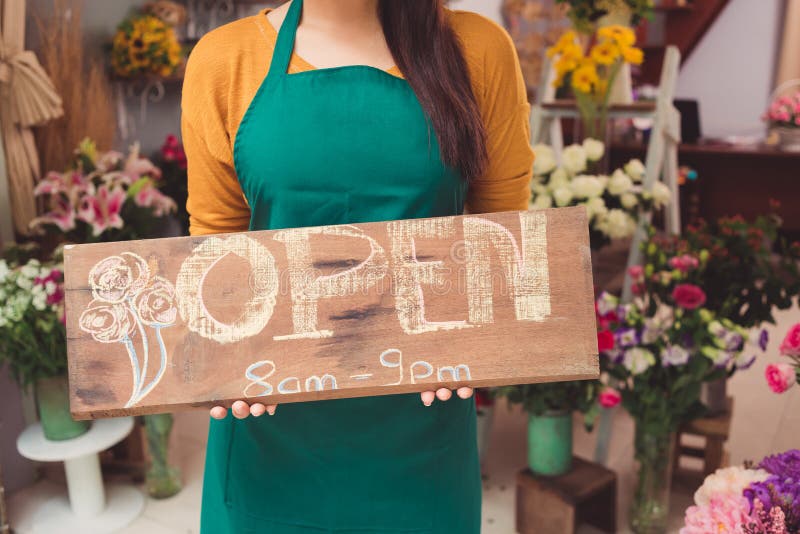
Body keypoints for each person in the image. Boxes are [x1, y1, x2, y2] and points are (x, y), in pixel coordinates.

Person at [182, 0, 533, 532]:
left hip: (422, 432)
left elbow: (503, 238)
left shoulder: (480, 50)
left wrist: (476, 347)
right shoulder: (225, 58)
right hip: (268, 431)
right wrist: (223, 367)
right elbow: (215, 248)